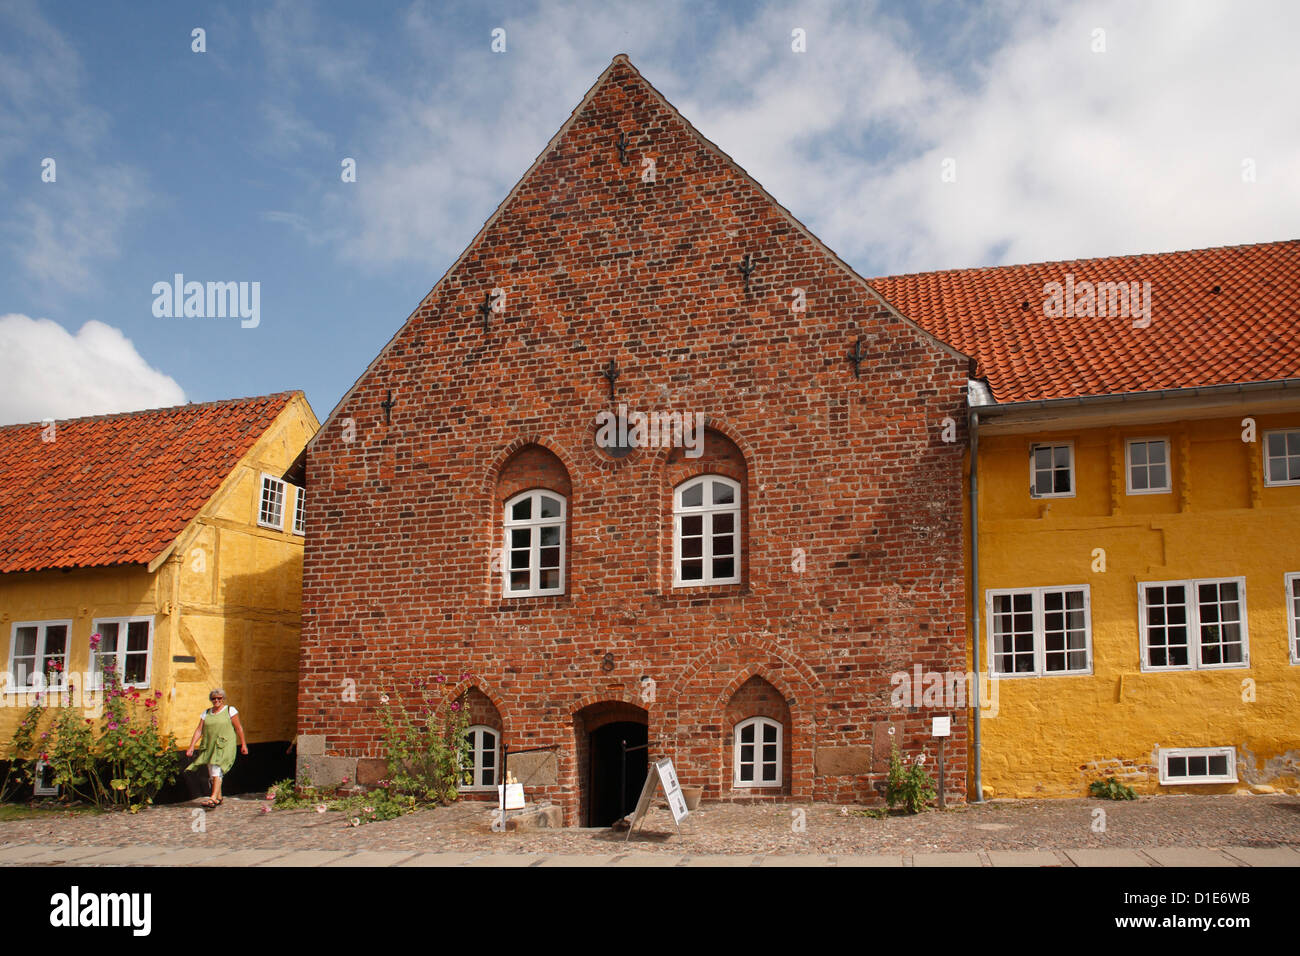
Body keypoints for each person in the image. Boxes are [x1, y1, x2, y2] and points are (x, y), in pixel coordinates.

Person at [185, 689, 248, 808]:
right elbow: (199, 730)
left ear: (223, 699)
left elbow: (239, 728)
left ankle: (212, 798)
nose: (216, 700)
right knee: (212, 772)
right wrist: (192, 746)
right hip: (209, 745)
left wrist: (243, 744)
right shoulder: (206, 713)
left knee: (216, 769)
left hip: (225, 745)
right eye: (214, 698)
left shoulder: (230, 710)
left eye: (219, 698)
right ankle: (219, 797)